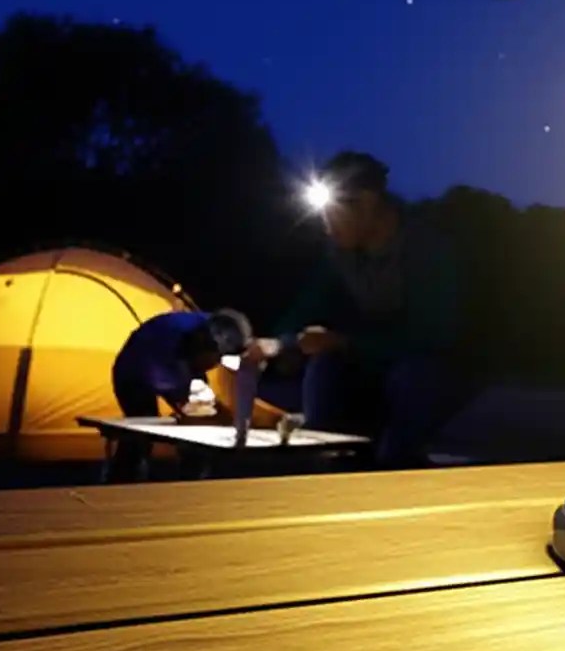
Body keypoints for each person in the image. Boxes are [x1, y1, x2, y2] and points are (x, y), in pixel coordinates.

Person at [244, 150, 466, 468]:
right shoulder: (341, 254)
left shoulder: (427, 249)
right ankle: (327, 450)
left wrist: (346, 342)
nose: (325, 225)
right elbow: (310, 303)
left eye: (331, 212)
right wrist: (275, 343)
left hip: (436, 365)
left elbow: (434, 335)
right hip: (376, 361)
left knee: (413, 377)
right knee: (325, 364)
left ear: (365, 204)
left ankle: (399, 459)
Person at [106, 308, 252, 482]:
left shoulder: (218, 328)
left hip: (181, 360)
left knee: (201, 430)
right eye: (215, 358)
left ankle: (193, 481)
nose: (216, 364)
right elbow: (186, 403)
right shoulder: (165, 348)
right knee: (140, 433)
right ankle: (122, 482)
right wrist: (196, 412)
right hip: (133, 372)